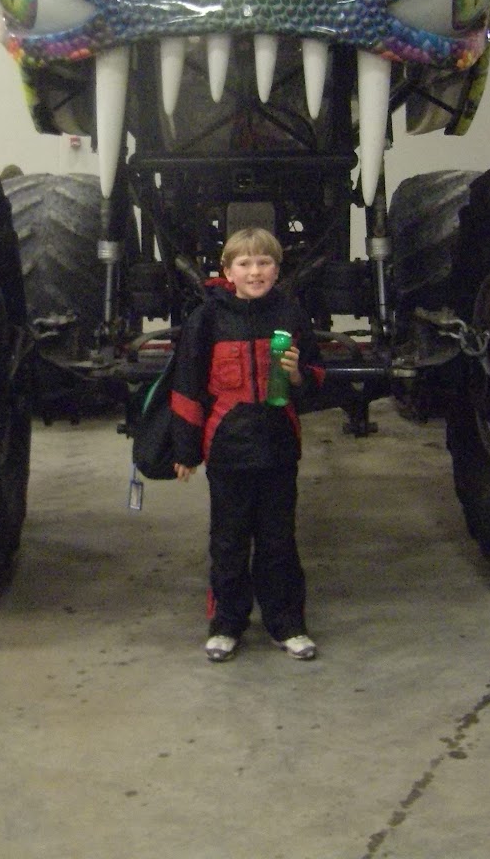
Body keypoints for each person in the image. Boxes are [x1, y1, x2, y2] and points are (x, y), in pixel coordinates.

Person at [169, 227, 326, 663]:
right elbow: (187, 385)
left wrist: (296, 374)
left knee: (279, 542)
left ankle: (287, 624)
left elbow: (316, 379)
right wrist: (185, 451)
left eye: (264, 262)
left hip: (279, 449)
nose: (255, 272)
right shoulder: (207, 319)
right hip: (227, 452)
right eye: (245, 263)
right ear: (227, 271)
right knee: (228, 542)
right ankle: (226, 624)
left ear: (278, 269)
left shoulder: (291, 314)